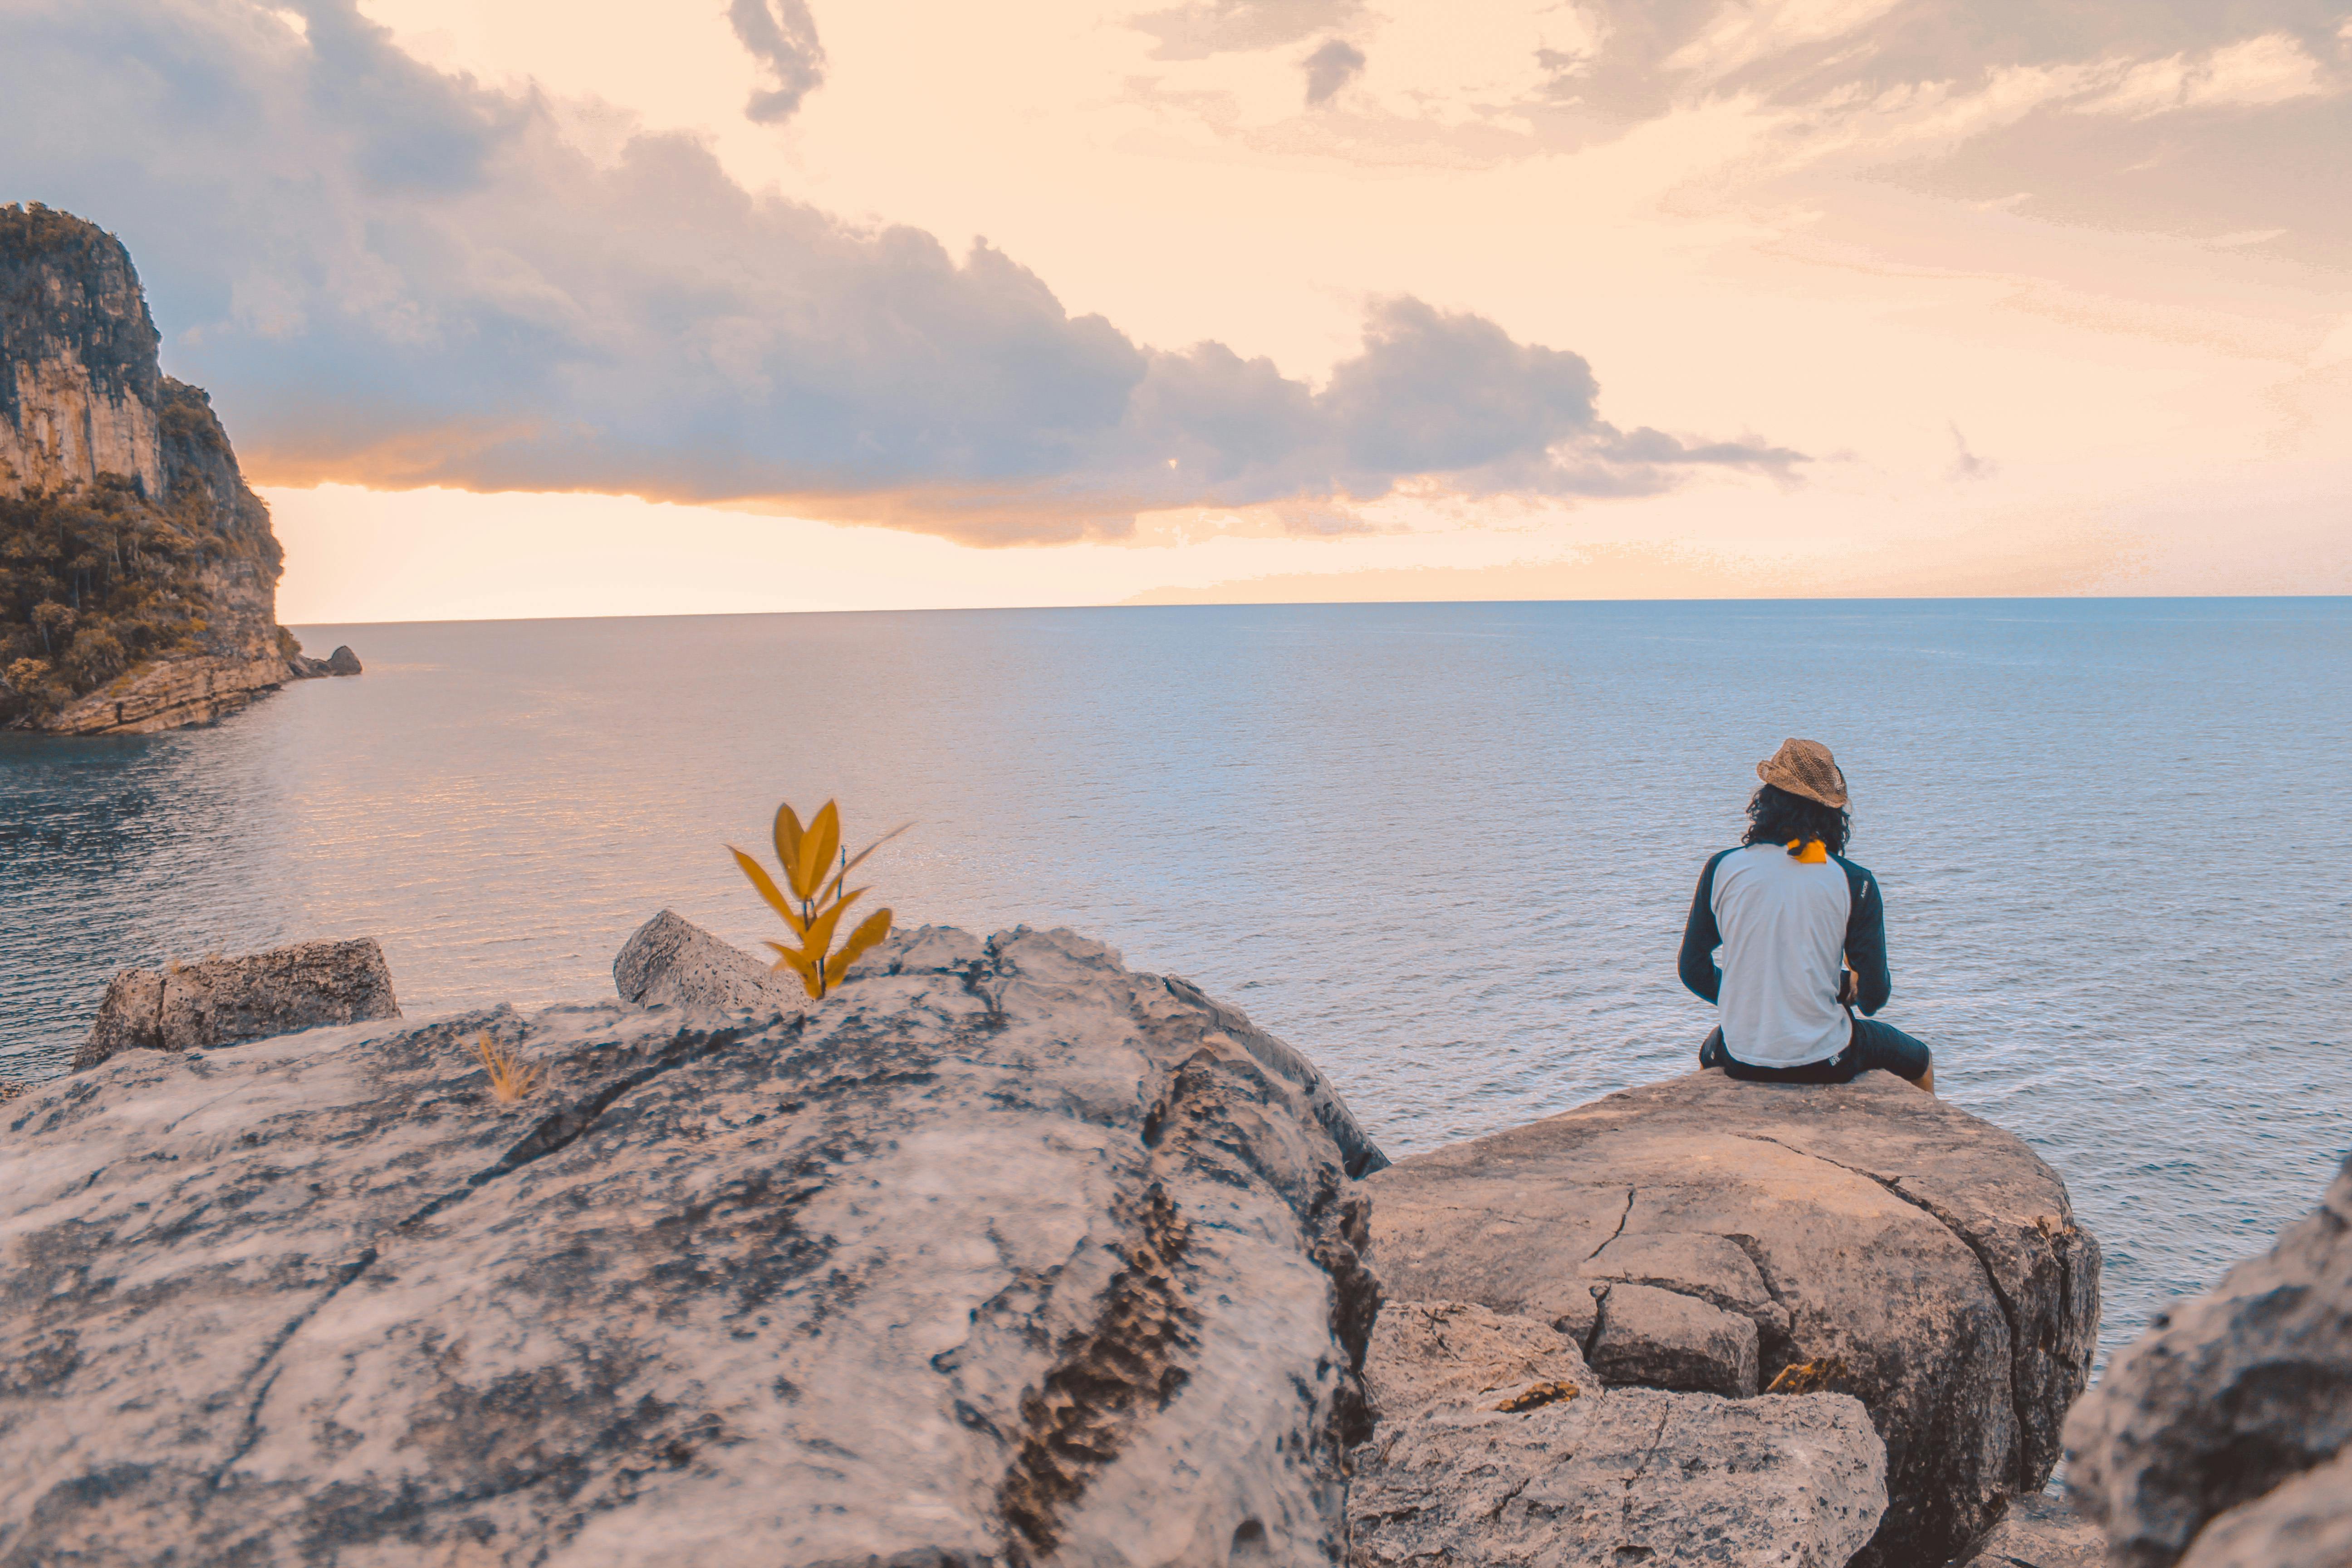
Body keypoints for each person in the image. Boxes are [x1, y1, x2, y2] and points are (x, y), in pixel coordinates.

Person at [1677, 738, 1935, 1094]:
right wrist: (1849, 987)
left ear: (1766, 801)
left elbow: (1692, 969)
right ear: (1831, 814)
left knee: (1709, 1051)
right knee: (1920, 1059)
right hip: (1826, 1060)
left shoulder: (1723, 867)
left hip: (1740, 1059)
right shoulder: (1852, 880)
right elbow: (1875, 998)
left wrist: (1748, 998)